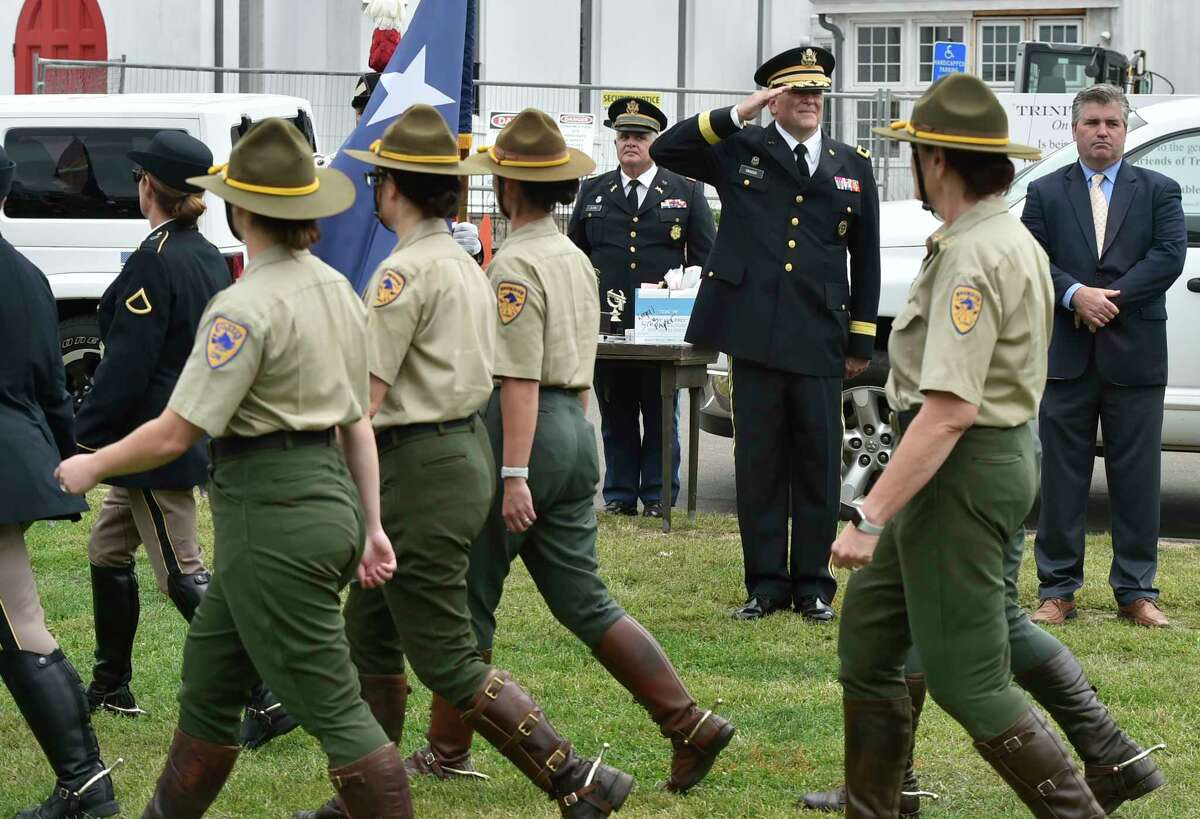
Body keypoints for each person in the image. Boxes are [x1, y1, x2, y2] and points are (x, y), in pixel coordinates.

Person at [56, 118, 410, 817]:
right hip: (328, 504)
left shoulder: (243, 306)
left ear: (238, 208)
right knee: (211, 680)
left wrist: (90, 466)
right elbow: (356, 421)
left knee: (333, 705)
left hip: (269, 518)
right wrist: (371, 524)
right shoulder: (337, 288)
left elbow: (176, 430)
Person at [294, 103, 635, 819]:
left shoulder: (404, 272)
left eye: (380, 179)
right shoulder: (464, 260)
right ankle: (365, 794)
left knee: (446, 651)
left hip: (418, 466)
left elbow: (366, 395)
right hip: (457, 455)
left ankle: (573, 774)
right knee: (372, 631)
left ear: (391, 187)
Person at [402, 108, 734, 802]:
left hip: (525, 430)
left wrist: (515, 471)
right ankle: (688, 720)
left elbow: (519, 374)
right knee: (586, 598)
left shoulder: (515, 265)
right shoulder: (573, 256)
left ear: (510, 188)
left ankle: (446, 745)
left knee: (469, 596)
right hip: (575, 427)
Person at [827, 72, 1109, 816]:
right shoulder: (992, 236)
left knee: (966, 677)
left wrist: (869, 514)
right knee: (868, 639)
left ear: (939, 161)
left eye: (918, 152)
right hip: (961, 461)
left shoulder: (973, 256)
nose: (916, 165)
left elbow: (949, 410)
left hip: (960, 466)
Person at [72, 129, 295, 749]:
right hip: (176, 427)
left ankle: (268, 694)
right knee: (106, 551)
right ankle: (111, 682)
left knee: (180, 573)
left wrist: (85, 439)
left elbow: (129, 361)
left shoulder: (157, 255)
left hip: (155, 436)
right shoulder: (202, 252)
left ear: (149, 186)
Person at [650, 46, 880, 622]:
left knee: (819, 463)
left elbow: (866, 259)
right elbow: (666, 148)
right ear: (774, 98)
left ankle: (813, 585)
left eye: (816, 91)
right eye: (796, 91)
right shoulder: (741, 150)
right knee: (759, 463)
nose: (809, 100)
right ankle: (766, 585)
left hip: (820, 334)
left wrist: (859, 341)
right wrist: (741, 111)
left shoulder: (852, 163)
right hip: (754, 332)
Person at [800, 529, 1165, 816]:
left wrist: (875, 512)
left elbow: (939, 430)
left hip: (961, 474)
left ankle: (1111, 756)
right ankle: (1113, 754)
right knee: (914, 602)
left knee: (975, 625)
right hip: (975, 468)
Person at [1022, 83, 1186, 629]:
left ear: (1124, 129)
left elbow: (1169, 255)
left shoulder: (1159, 189)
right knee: (1063, 477)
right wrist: (1074, 295)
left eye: (1111, 123)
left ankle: (1136, 592)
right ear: (1074, 130)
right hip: (1066, 357)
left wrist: (1107, 301)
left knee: (1136, 477)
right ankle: (1058, 590)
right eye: (1091, 122)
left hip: (1135, 355)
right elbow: (1032, 259)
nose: (1101, 131)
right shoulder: (1045, 193)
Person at [0, 144, 122, 819]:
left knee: (21, 624)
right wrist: (59, 468)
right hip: (15, 458)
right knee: (18, 620)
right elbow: (52, 389)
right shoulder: (26, 274)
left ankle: (85, 781)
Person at [567, 96, 715, 518]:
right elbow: (576, 254)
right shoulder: (594, 191)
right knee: (615, 413)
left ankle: (657, 495)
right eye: (623, 136)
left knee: (660, 412)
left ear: (655, 142)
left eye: (640, 136)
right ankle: (618, 496)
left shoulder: (684, 190)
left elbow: (706, 258)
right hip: (607, 326)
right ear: (614, 143)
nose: (630, 143)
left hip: (662, 328)